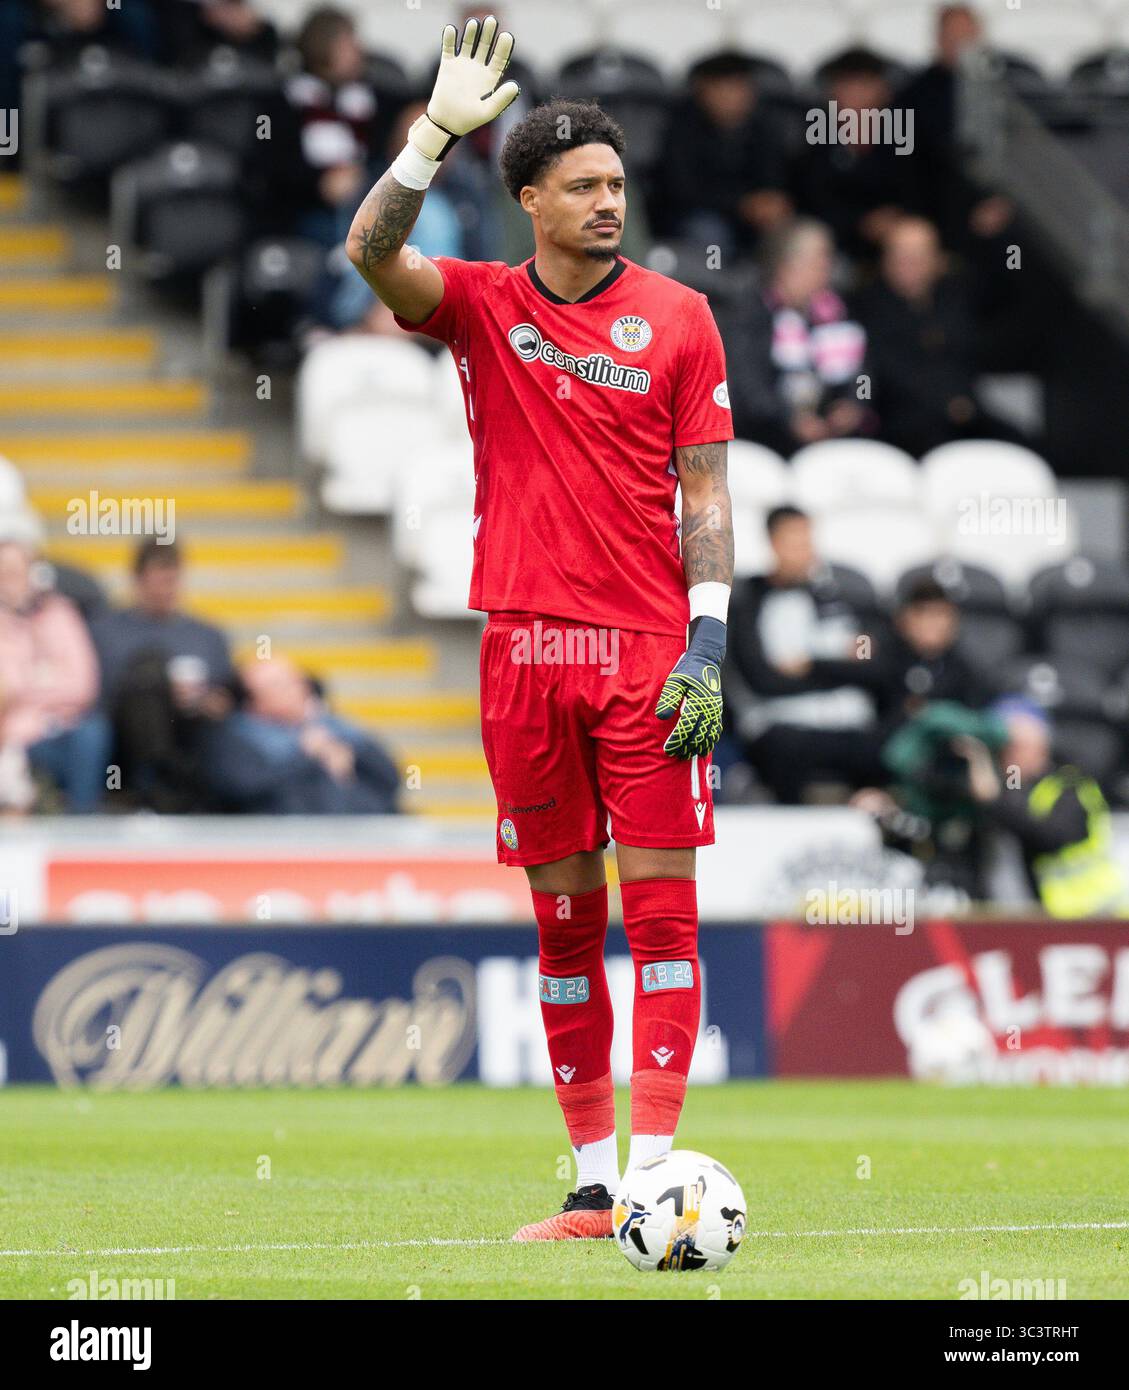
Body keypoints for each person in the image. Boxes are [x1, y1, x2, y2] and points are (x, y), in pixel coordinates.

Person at [345, 16, 735, 1239]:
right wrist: (426, 140)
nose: (609, 202)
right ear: (529, 199)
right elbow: (369, 249)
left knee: (661, 912)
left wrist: (709, 639)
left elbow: (708, 496)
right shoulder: (478, 305)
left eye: (617, 183)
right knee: (563, 919)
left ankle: (660, 1167)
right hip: (520, 648)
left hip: (645, 654)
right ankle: (590, 1183)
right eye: (583, 186)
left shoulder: (679, 318)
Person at [855, 216, 1023, 456]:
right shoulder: (867, 305)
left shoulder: (955, 295)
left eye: (918, 255)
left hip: (967, 413)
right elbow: (884, 372)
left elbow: (1010, 276)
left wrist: (1005, 241)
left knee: (1020, 445)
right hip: (902, 422)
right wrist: (948, 403)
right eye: (900, 255)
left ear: (937, 259)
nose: (908, 264)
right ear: (885, 259)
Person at [90, 539, 234, 810]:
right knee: (149, 675)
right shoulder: (104, 633)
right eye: (158, 581)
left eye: (172, 580)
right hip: (125, 743)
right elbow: (97, 695)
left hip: (194, 737)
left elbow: (226, 695)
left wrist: (209, 702)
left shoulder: (208, 636)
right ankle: (154, 788)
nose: (166, 590)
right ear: (137, 580)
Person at [953, 699, 1129, 917]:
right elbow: (1013, 792)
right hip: (1052, 916)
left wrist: (992, 797)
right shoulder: (1016, 781)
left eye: (1016, 745)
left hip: (1100, 912)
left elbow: (1051, 834)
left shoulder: (1069, 781)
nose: (1008, 754)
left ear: (1040, 744)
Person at [723, 219, 870, 454]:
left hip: (831, 440)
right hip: (764, 442)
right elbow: (746, 385)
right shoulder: (751, 314)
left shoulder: (838, 311)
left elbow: (864, 374)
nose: (827, 271)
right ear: (786, 266)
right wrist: (790, 419)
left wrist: (854, 404)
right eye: (819, 263)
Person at [201, 655, 400, 814]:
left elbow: (390, 779)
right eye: (280, 685)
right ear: (252, 700)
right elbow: (245, 789)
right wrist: (307, 758)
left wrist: (344, 750)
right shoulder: (235, 738)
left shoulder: (334, 727)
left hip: (359, 836)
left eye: (297, 681)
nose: (298, 690)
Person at [0, 538, 109, 812]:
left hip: (59, 731)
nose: (7, 583)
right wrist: (43, 681)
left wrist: (26, 689)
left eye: (13, 573)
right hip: (13, 736)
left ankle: (81, 829)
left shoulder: (61, 614)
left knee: (92, 733)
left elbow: (83, 685)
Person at [650, 50, 792, 259]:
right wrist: (741, 204)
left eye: (739, 86)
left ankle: (774, 291)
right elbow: (681, 191)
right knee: (709, 232)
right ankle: (713, 289)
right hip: (697, 217)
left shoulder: (765, 126)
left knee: (793, 230)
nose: (731, 96)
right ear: (703, 91)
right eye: (723, 88)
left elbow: (775, 180)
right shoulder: (681, 127)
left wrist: (773, 203)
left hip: (752, 220)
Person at [790, 48, 921, 262]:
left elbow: (919, 194)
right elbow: (812, 201)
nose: (855, 96)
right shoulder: (816, 139)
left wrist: (895, 216)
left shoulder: (904, 137)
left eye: (864, 87)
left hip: (896, 240)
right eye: (847, 87)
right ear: (832, 92)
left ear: (884, 91)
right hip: (834, 246)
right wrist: (862, 223)